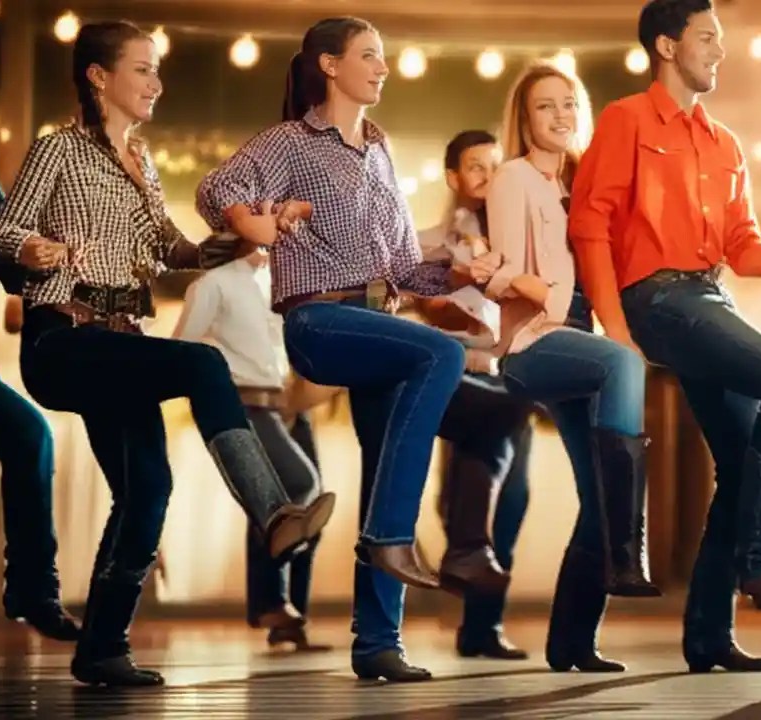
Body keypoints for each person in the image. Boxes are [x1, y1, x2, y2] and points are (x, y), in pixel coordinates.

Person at [0, 21, 333, 687]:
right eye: (142, 68)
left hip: (121, 343)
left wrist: (248, 230)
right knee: (202, 364)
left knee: (148, 490)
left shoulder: (142, 163)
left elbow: (178, 253)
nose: (156, 82)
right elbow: (4, 229)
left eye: (156, 70)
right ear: (99, 76)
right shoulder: (58, 151)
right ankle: (270, 512)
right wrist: (36, 249)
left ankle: (104, 649)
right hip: (63, 341)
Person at [197, 17, 514, 682]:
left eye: (385, 57)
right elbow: (215, 188)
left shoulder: (379, 148)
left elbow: (401, 267)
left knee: (385, 463)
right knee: (442, 356)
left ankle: (377, 642)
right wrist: (249, 220)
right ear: (330, 65)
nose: (383, 67)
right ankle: (392, 539)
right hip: (320, 324)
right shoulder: (291, 142)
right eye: (370, 56)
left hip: (380, 324)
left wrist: (456, 274)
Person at [569, 0, 761, 672]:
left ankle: (710, 637)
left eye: (721, 38)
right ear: (665, 45)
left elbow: (745, 250)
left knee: (741, 465)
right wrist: (616, 330)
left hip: (709, 298)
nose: (720, 49)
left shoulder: (725, 143)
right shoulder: (625, 120)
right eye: (707, 37)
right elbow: (589, 227)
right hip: (654, 299)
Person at [479, 59, 660, 673]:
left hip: (587, 343)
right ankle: (628, 554)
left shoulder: (589, 180)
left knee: (597, 494)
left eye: (568, 104)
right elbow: (499, 272)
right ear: (524, 119)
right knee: (622, 364)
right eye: (544, 106)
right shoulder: (512, 178)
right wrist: (542, 289)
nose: (560, 115)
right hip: (538, 341)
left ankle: (572, 643)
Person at [173, 245, 330, 652]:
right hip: (243, 405)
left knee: (301, 510)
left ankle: (286, 615)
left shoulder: (274, 279)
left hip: (284, 404)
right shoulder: (213, 284)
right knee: (295, 488)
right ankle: (269, 601)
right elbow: (179, 350)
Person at [422, 130, 534, 660]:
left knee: (511, 501)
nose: (489, 176)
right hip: (461, 382)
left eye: (496, 164)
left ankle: (483, 626)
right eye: (476, 166)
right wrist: (436, 297)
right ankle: (468, 613)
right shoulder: (429, 243)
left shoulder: (523, 242)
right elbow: (400, 295)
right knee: (461, 501)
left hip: (510, 380)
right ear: (453, 177)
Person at [0, 119, 80, 642]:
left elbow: (16, 271)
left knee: (28, 435)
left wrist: (50, 253)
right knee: (27, 435)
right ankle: (35, 590)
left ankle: (34, 590)